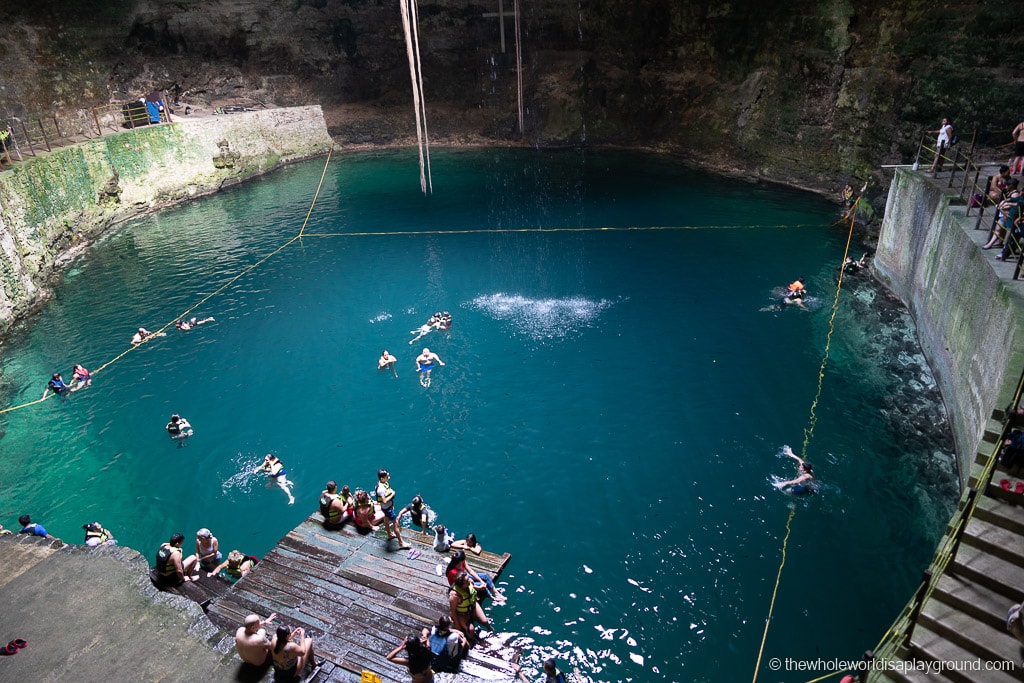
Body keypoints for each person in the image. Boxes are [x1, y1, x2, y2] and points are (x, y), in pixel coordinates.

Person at [449, 571, 492, 643]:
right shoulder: (454, 596)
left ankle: (491, 629)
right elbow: (453, 611)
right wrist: (457, 625)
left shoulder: (470, 582)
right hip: (462, 613)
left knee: (485, 621)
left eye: (468, 578)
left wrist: (479, 588)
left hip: (472, 605)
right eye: (466, 581)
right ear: (462, 585)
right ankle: (472, 639)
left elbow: (473, 587)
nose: (469, 580)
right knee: (471, 629)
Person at [375, 469, 411, 550]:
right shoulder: (381, 489)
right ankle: (401, 542)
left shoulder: (383, 483)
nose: (389, 477)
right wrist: (393, 494)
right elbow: (384, 501)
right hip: (387, 508)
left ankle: (389, 534)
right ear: (382, 478)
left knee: (386, 519)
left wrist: (392, 504)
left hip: (387, 508)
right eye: (387, 476)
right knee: (396, 523)